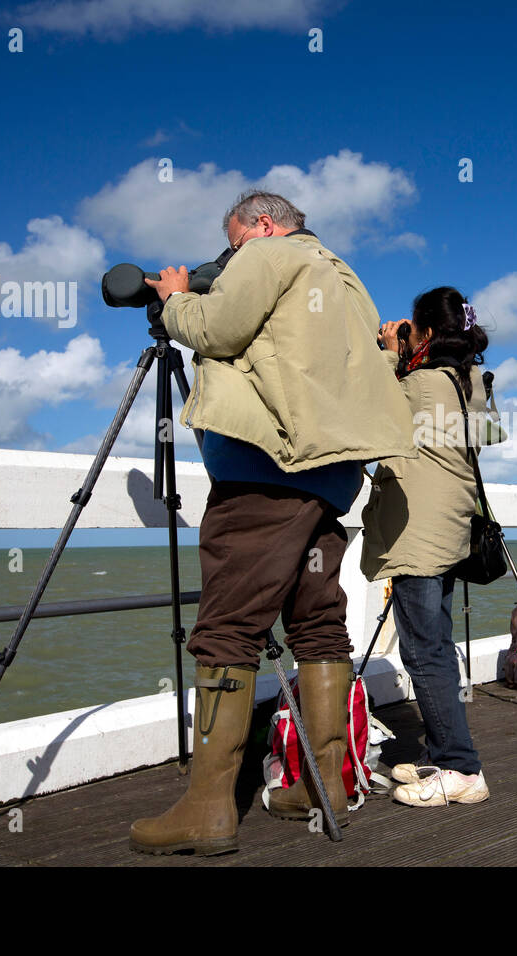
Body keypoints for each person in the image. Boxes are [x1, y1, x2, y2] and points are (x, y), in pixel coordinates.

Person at [129, 191, 415, 854]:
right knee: (316, 623)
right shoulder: (345, 278)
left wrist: (175, 298)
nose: (230, 256)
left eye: (233, 242)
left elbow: (220, 330)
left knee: (228, 626)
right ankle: (325, 783)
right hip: (329, 476)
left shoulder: (269, 253)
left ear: (260, 224)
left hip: (264, 472)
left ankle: (207, 809)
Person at [361, 287, 492, 808]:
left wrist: (387, 356)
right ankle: (445, 754)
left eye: (411, 329)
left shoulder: (419, 384)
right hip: (453, 525)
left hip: (419, 532)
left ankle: (461, 769)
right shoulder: (475, 382)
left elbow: (364, 413)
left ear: (428, 334)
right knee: (435, 643)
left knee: (423, 648)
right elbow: (488, 437)